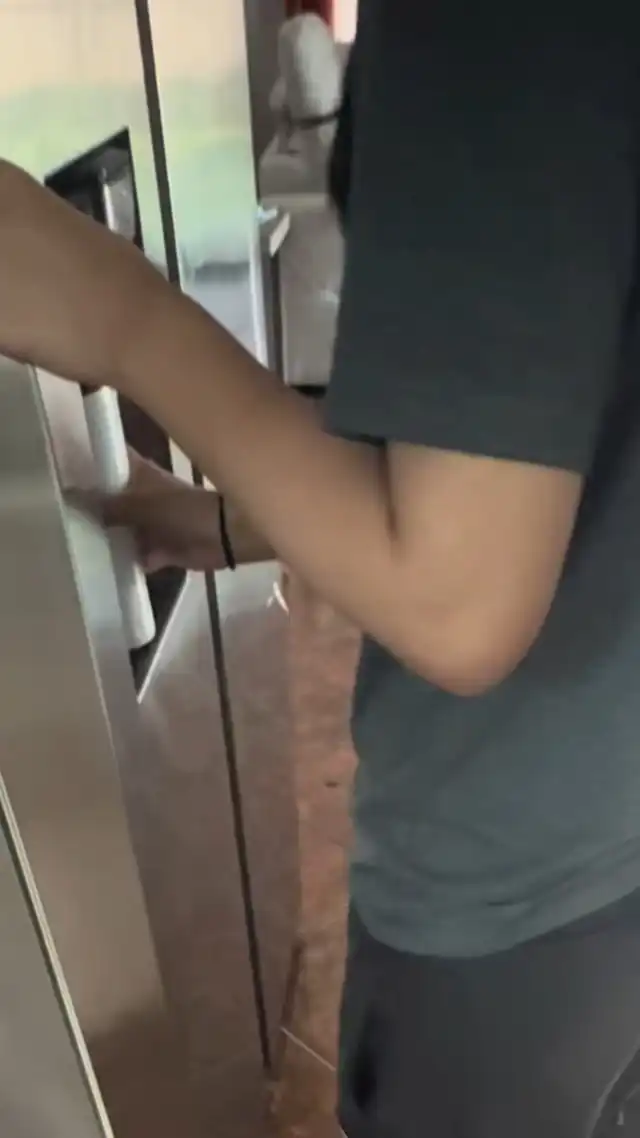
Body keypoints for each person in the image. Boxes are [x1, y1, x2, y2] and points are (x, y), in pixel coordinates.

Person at [2, 8, 640, 1136]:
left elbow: (456, 601)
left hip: (536, 898)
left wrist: (112, 309)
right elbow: (531, 436)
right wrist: (225, 523)